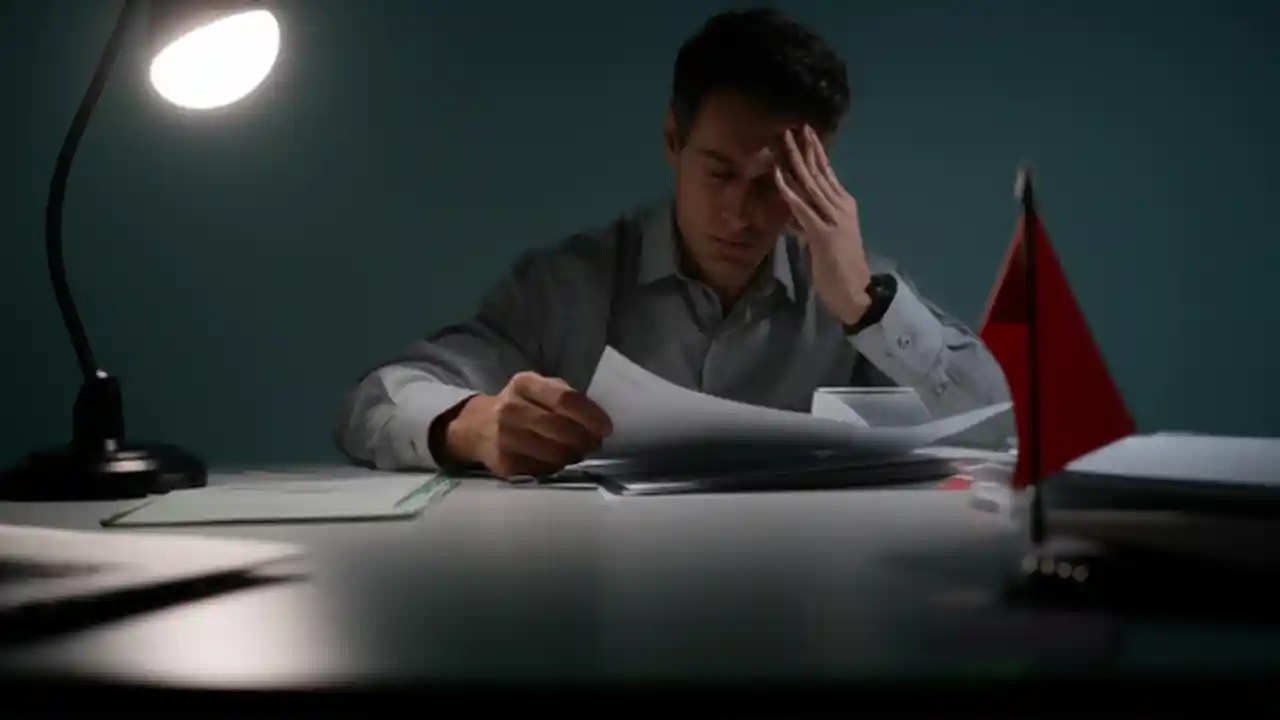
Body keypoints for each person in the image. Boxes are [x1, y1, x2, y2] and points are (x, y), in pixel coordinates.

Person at [334, 8, 1009, 478]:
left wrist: (867, 310)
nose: (741, 213)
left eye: (776, 184)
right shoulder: (567, 285)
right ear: (671, 143)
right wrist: (469, 426)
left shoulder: (856, 295)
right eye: (720, 172)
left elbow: (999, 428)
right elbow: (377, 399)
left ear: (821, 174)